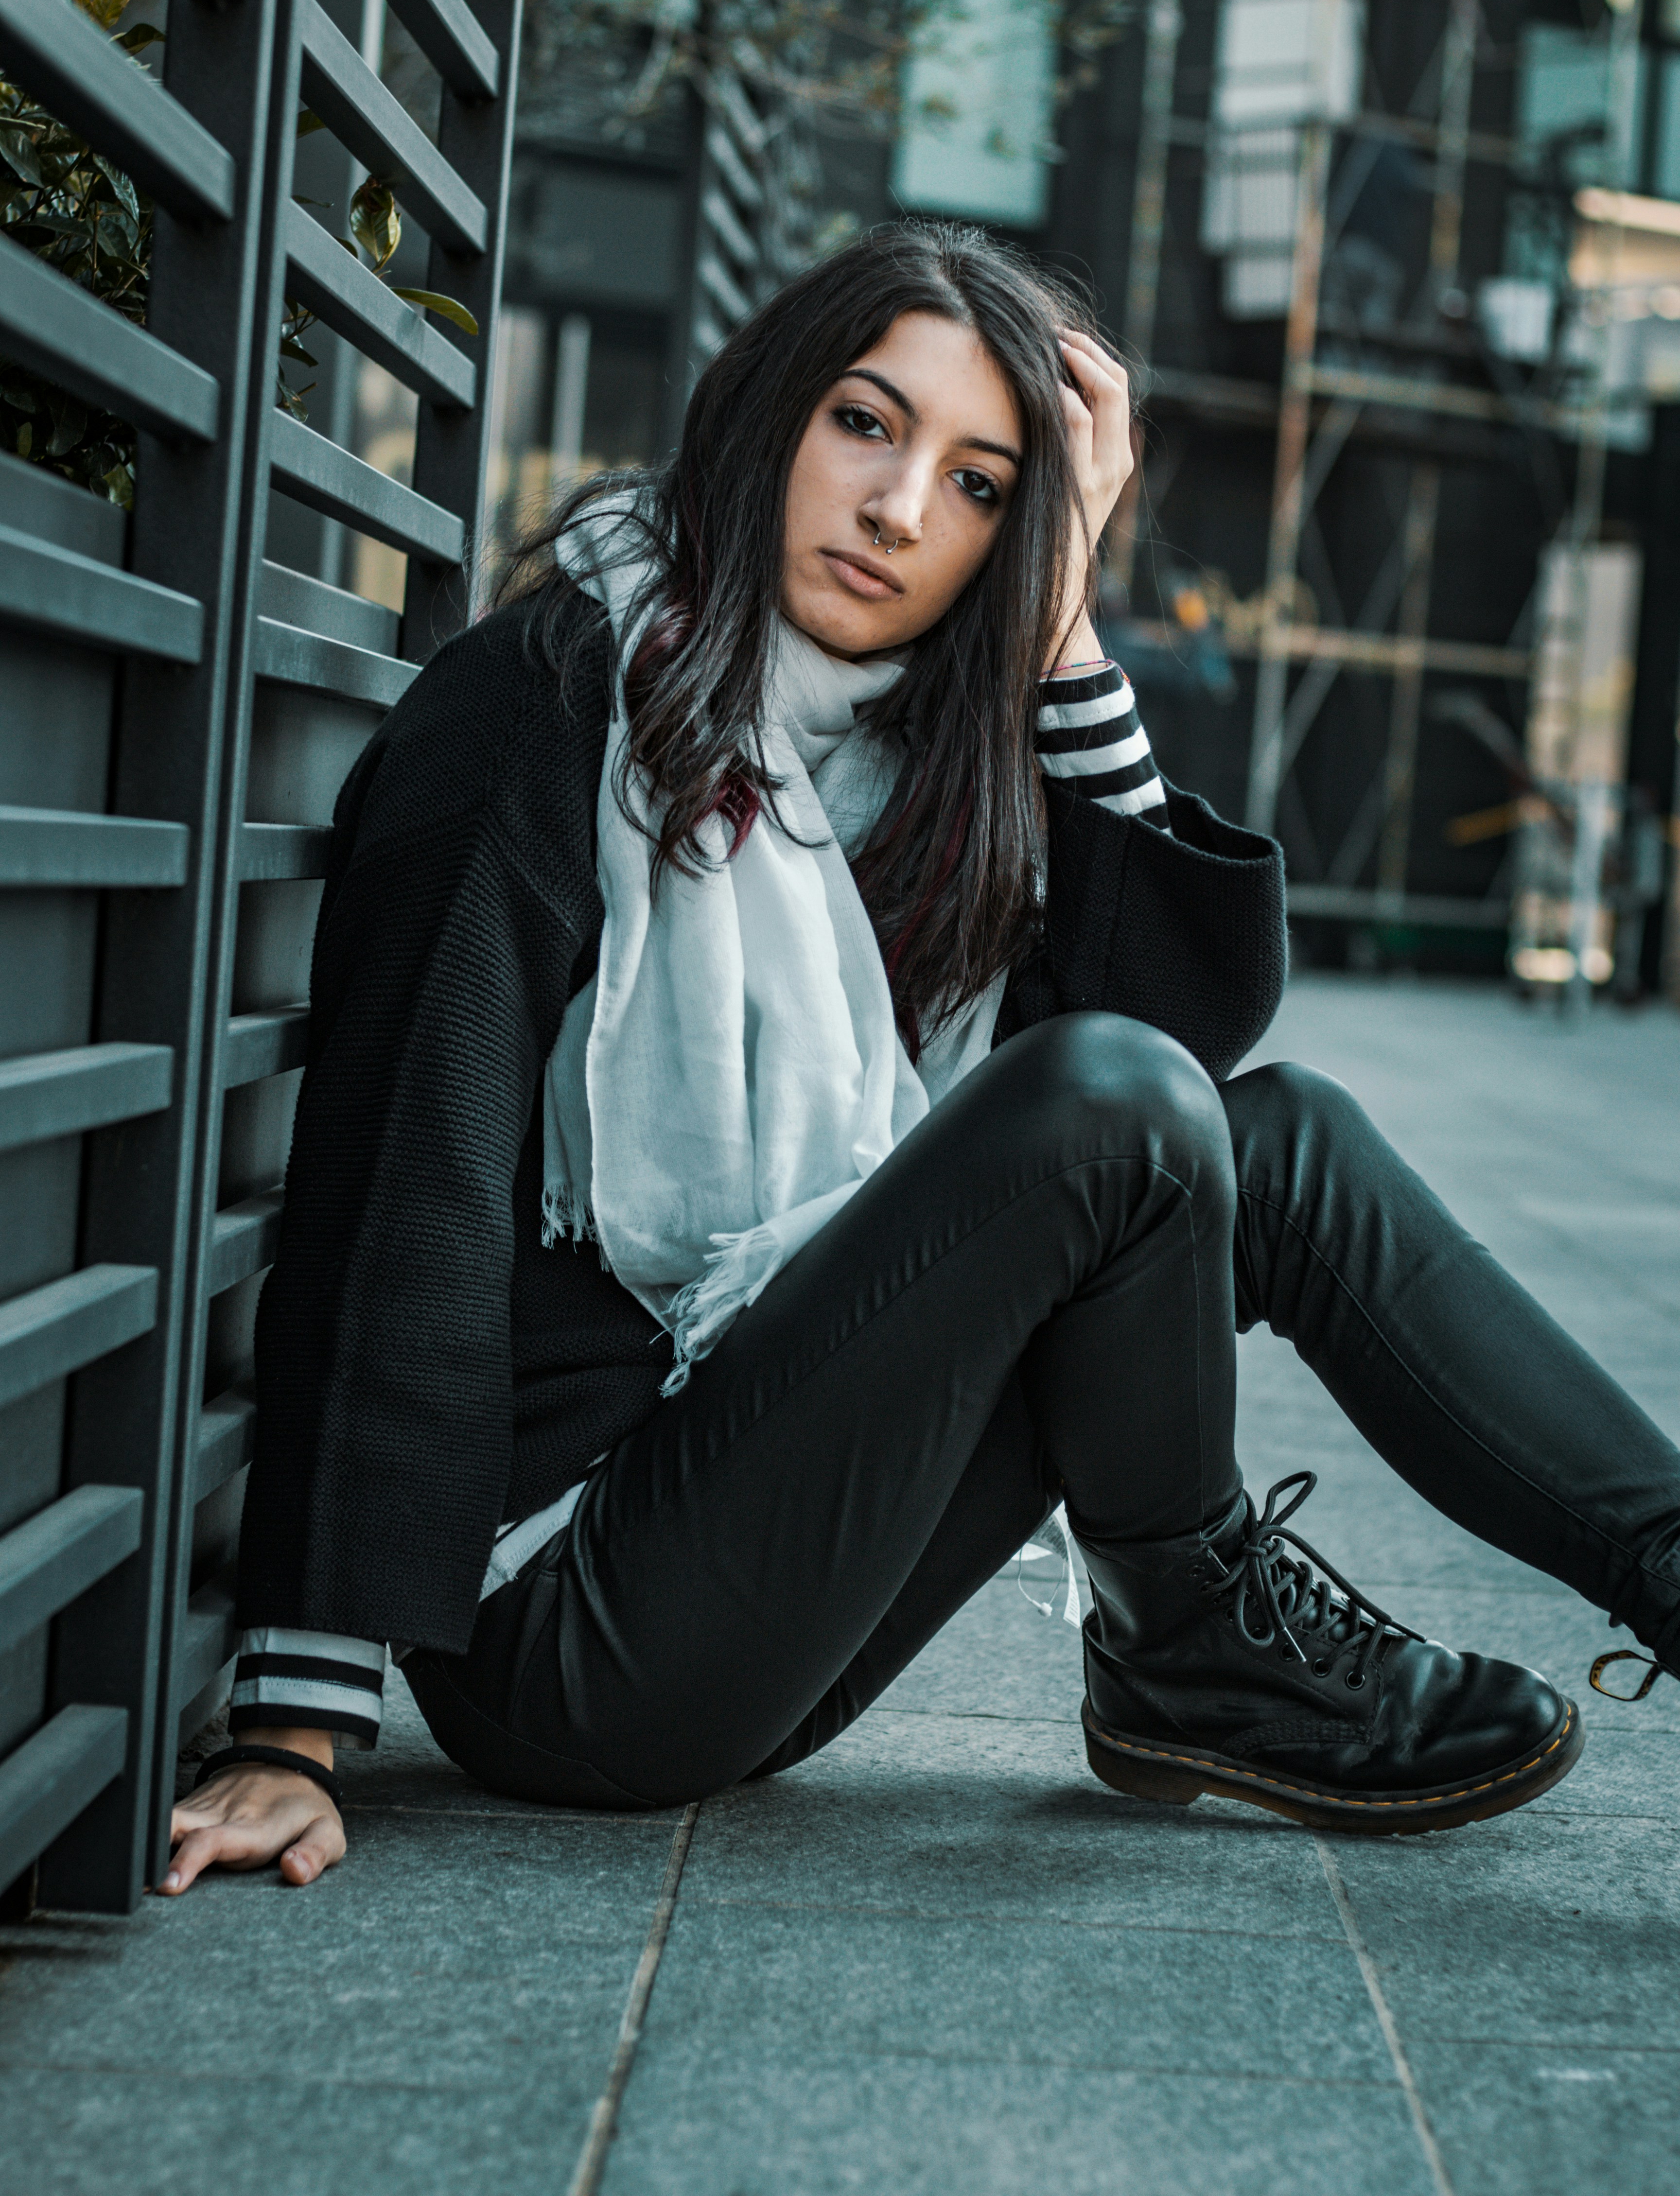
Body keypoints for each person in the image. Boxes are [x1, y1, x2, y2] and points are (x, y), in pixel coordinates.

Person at [163, 223, 1680, 1895]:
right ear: (769, 414)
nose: (900, 510)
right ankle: (1191, 1631)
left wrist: (1064, 632)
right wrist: (293, 1723)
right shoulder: (550, 693)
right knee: (1108, 1105)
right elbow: (406, 1167)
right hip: (575, 1619)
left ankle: (1654, 1565)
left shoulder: (907, 759)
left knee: (1279, 1138)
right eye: (867, 426)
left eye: (980, 486)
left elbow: (1184, 1048)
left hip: (774, 1542)